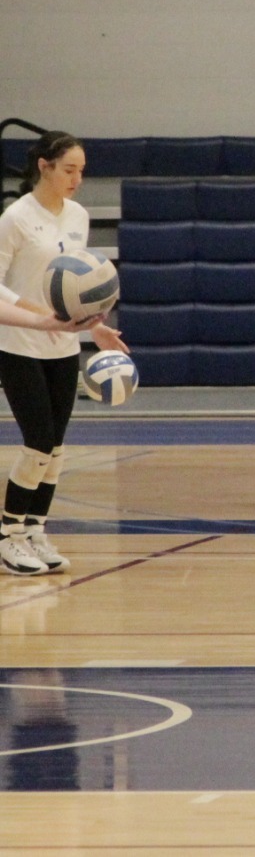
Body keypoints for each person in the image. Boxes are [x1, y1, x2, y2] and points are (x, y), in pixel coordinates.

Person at [0, 132, 129, 576]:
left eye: (82, 171)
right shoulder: (15, 218)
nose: (78, 178)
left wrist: (96, 327)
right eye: (70, 169)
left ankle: (35, 529)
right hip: (18, 344)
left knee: (55, 447)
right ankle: (8, 537)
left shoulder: (78, 216)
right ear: (45, 167)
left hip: (63, 346)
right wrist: (40, 319)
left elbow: (75, 289)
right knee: (37, 442)